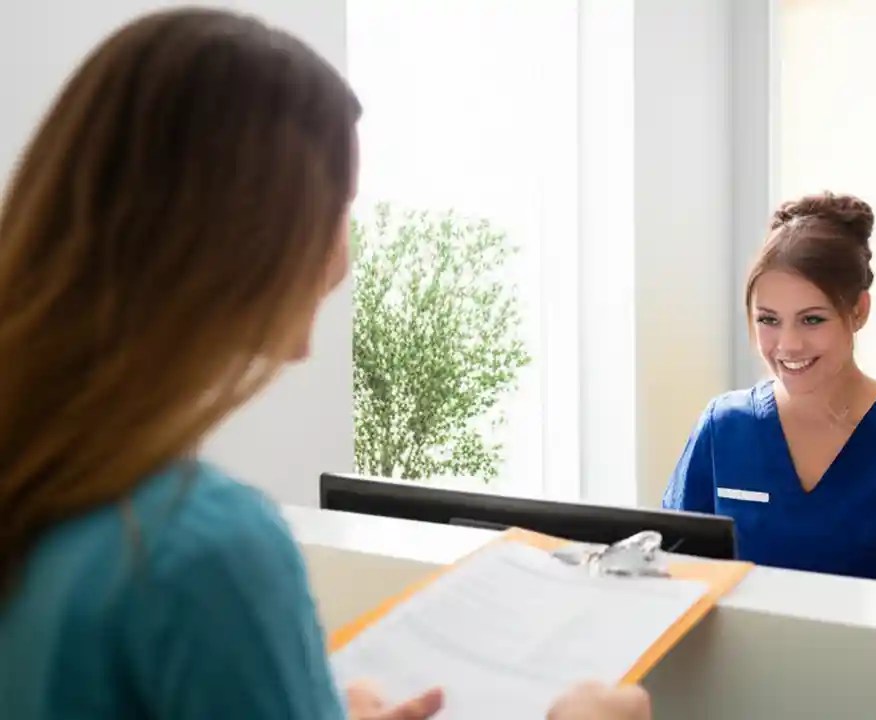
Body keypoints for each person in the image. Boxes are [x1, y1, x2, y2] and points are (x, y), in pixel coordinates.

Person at [0, 9, 648, 720]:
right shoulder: (206, 549)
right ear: (255, 233)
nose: (346, 253)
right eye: (340, 208)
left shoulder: (45, 486)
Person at [662, 191, 876, 582]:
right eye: (768, 320)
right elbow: (673, 575)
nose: (788, 345)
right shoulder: (723, 428)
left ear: (858, 311)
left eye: (812, 320)